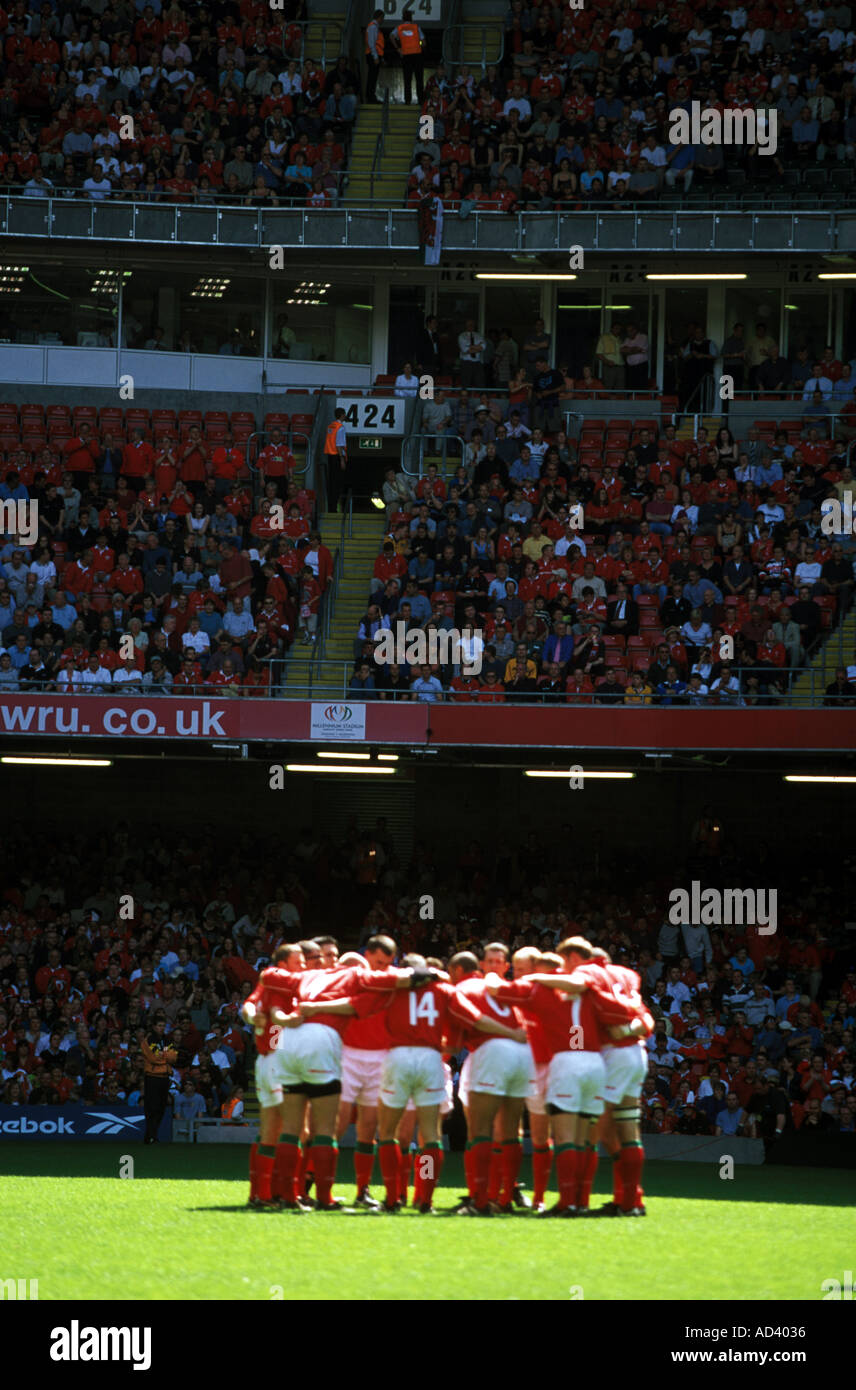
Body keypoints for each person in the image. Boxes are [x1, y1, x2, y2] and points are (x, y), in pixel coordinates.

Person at [140, 1013, 176, 1144]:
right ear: (154, 1027)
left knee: (161, 1107)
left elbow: (173, 1057)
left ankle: (151, 1135)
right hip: (152, 1077)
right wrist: (165, 1058)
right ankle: (151, 1135)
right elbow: (153, 1058)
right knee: (152, 1107)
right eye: (159, 1025)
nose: (162, 1028)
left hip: (164, 1077)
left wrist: (163, 1056)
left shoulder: (167, 1040)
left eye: (163, 1026)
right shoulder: (147, 1041)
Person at [391, 9, 425, 107]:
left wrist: (398, 48)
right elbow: (423, 41)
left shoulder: (400, 28)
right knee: (419, 79)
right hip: (417, 56)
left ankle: (407, 101)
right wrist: (420, 45)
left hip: (406, 56)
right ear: (411, 18)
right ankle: (420, 100)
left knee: (407, 79)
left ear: (402, 18)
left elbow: (391, 36)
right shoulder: (416, 27)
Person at [324, 407, 348, 511]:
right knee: (337, 483)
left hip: (330, 455)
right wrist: (342, 459)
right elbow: (339, 444)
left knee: (331, 482)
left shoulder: (330, 426)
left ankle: (331, 506)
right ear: (342, 415)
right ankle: (334, 508)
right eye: (345, 414)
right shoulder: (340, 427)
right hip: (337, 456)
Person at [364, 9, 385, 104]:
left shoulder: (373, 27)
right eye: (382, 18)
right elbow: (372, 43)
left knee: (373, 76)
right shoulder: (373, 27)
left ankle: (371, 96)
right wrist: (375, 57)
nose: (382, 20)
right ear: (379, 17)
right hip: (373, 55)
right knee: (372, 77)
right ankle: (370, 97)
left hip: (374, 54)